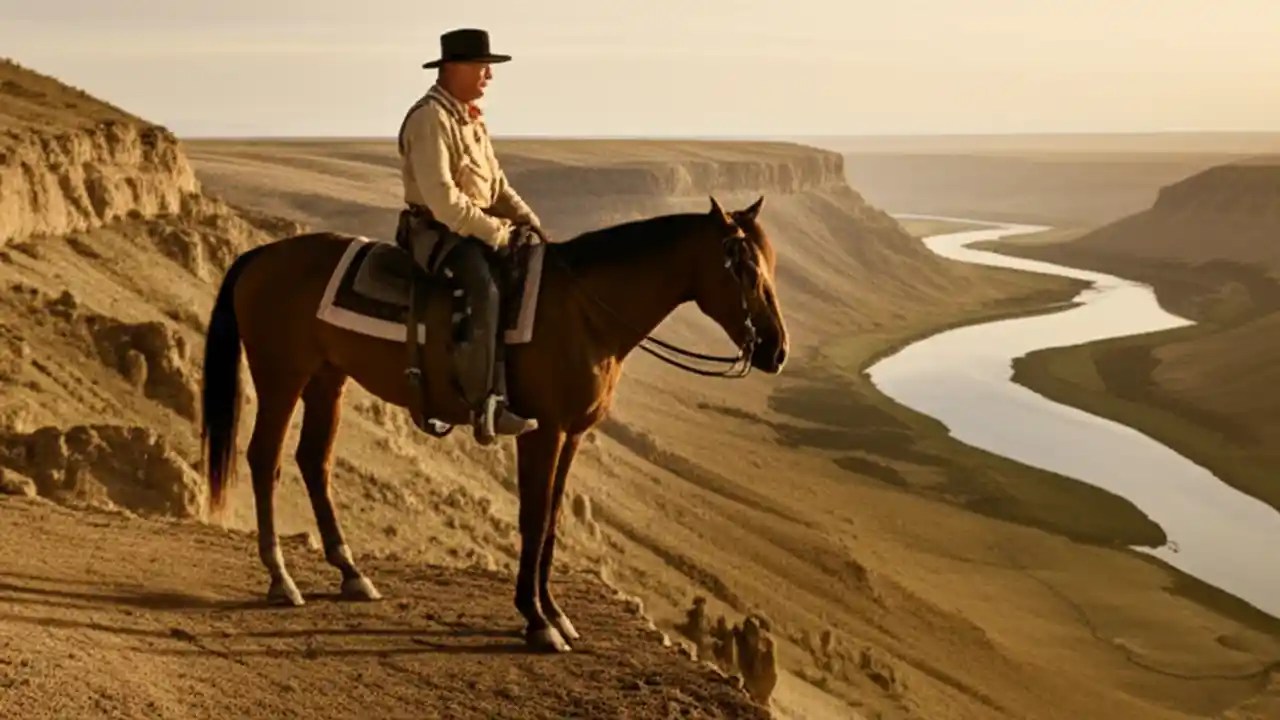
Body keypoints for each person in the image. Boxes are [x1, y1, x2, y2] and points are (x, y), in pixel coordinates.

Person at [397, 28, 545, 444]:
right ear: (453, 69)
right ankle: (484, 404)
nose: (489, 77)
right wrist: (498, 234)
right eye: (483, 68)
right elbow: (443, 202)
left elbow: (495, 187)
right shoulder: (431, 119)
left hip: (471, 225)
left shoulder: (471, 120)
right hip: (436, 232)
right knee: (483, 287)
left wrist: (531, 224)